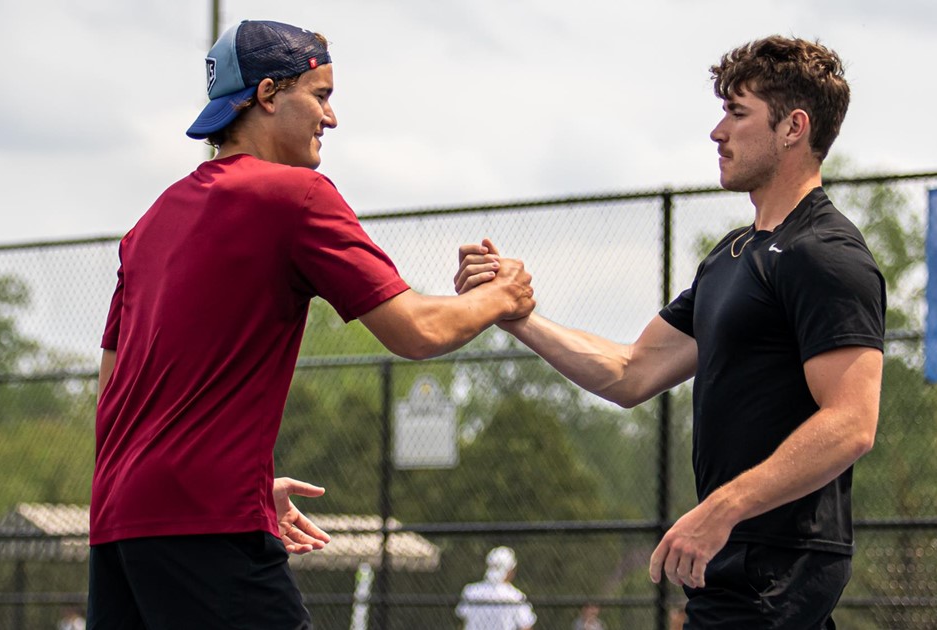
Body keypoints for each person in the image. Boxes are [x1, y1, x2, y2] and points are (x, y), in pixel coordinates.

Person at [88, 20, 534, 630]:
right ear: (269, 94)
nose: (332, 118)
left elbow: (113, 391)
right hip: (206, 519)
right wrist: (503, 294)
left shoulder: (148, 223)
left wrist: (247, 485)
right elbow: (415, 329)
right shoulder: (297, 195)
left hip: (118, 521)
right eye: (321, 96)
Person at [456, 35, 884, 628]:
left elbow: (852, 423)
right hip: (729, 565)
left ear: (794, 128)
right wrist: (514, 313)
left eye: (738, 113)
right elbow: (631, 371)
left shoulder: (827, 254)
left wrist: (722, 509)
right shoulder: (732, 256)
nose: (717, 131)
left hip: (776, 570)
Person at [456, 546, 537, 630]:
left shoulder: (470, 591)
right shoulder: (516, 597)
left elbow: (462, 622)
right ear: (510, 570)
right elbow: (526, 627)